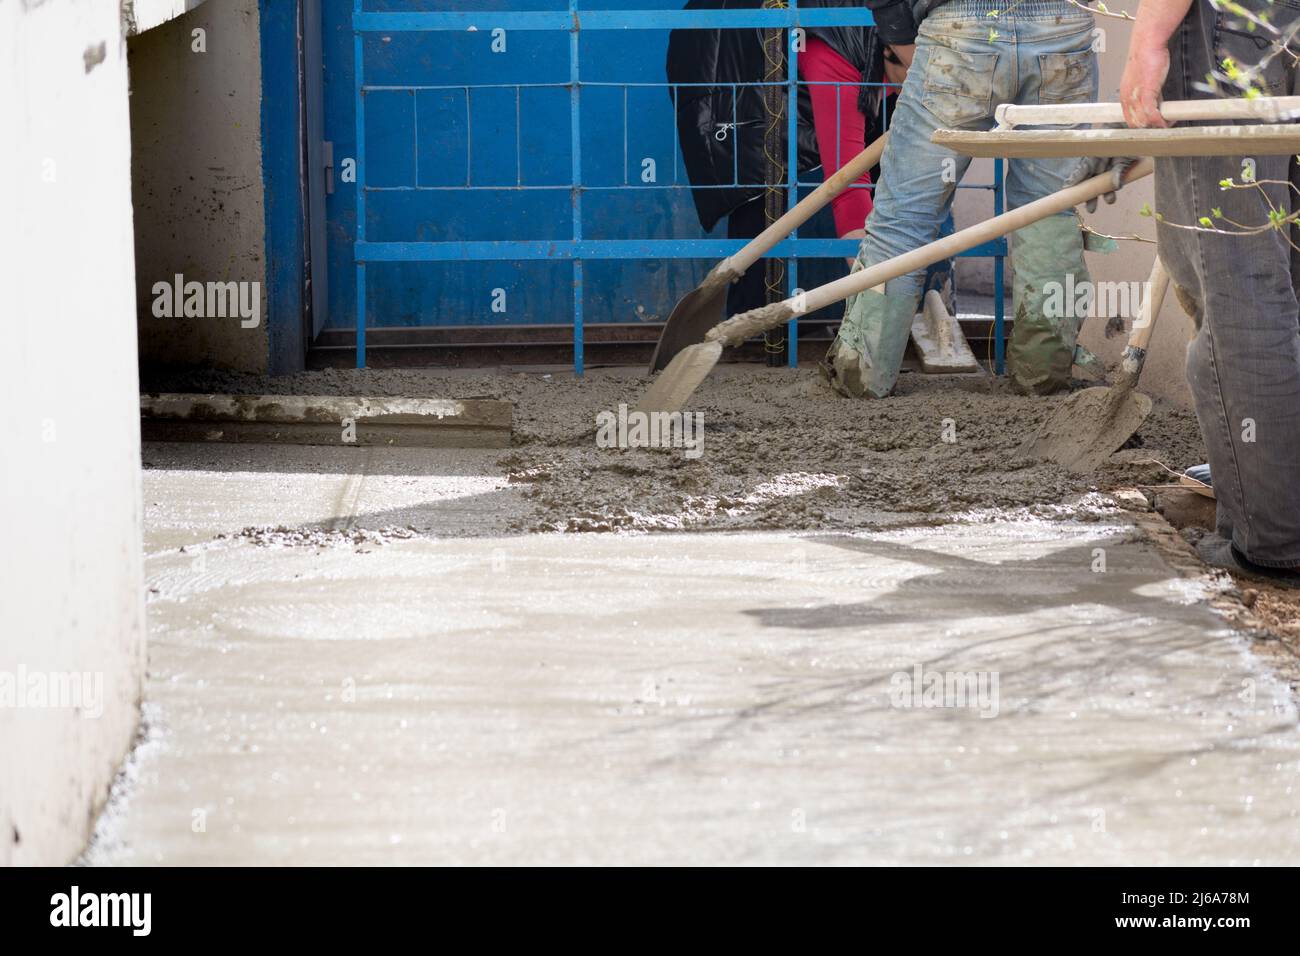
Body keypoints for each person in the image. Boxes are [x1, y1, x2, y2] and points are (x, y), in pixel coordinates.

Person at [825, 0, 1110, 398]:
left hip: (961, 28)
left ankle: (863, 377)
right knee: (1049, 209)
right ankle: (1042, 377)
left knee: (903, 219)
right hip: (1063, 29)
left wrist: (904, 42)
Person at [1120, 0, 1300, 584]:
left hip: (1237, 24)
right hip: (1278, 27)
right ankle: (1268, 477)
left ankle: (1273, 539)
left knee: (1240, 286)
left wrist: (1149, 38)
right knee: (1283, 267)